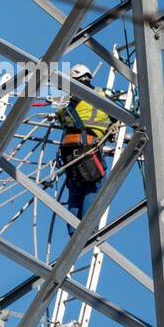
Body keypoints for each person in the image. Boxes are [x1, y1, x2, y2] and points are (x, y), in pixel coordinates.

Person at [55, 63, 116, 220]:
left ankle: (73, 232)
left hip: (68, 150)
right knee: (94, 184)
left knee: (76, 188)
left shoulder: (67, 105)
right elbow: (118, 115)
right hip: (88, 147)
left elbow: (60, 118)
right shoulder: (102, 96)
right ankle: (87, 228)